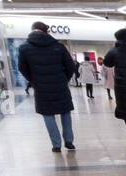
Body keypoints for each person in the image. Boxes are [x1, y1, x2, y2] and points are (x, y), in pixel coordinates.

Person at [17, 21, 77, 153]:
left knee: (48, 115)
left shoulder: (24, 48)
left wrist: (33, 81)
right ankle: (69, 141)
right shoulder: (59, 46)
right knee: (65, 112)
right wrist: (64, 79)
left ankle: (56, 144)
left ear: (32, 30)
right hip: (60, 84)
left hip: (41, 87)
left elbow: (22, 68)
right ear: (45, 31)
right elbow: (70, 66)